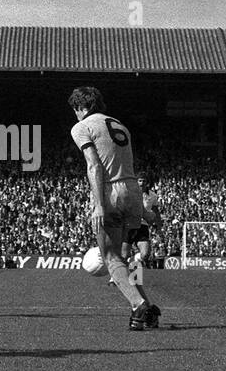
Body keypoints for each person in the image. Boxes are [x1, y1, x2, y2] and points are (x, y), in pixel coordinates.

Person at [68, 87, 160, 331]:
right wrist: (144, 210)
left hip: (110, 191)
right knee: (125, 257)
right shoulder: (120, 125)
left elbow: (94, 165)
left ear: (81, 108)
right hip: (132, 191)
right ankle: (148, 310)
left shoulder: (82, 126)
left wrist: (99, 204)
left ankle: (138, 304)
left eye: (75, 110)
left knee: (110, 256)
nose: (75, 115)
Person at [123, 172, 161, 272]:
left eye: (144, 181)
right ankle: (114, 278)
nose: (142, 183)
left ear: (147, 183)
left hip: (143, 226)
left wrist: (159, 227)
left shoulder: (152, 196)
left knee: (145, 254)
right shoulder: (129, 193)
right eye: (140, 180)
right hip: (129, 225)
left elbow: (156, 212)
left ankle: (135, 259)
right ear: (136, 181)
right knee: (124, 254)